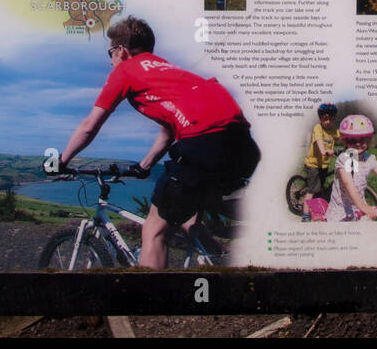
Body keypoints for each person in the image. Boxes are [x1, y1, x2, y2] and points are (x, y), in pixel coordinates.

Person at [57, 16, 260, 268]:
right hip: (242, 144)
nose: (110, 60)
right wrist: (145, 165)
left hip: (203, 143)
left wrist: (61, 161)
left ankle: (151, 305)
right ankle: (221, 264)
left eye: (110, 52)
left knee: (154, 230)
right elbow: (168, 131)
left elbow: (89, 127)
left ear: (121, 51)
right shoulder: (169, 70)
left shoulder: (125, 70)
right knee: (184, 214)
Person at [327, 114, 377, 221]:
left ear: (368, 140)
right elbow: (348, 183)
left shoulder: (369, 159)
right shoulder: (344, 158)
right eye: (352, 140)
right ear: (345, 140)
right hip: (342, 211)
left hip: (359, 209)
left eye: (362, 140)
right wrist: (364, 207)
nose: (358, 144)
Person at [298, 103, 339, 221]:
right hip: (313, 164)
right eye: (325, 119)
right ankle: (305, 214)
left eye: (331, 119)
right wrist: (324, 151)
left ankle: (318, 204)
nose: (328, 122)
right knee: (312, 190)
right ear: (320, 118)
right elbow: (319, 141)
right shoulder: (318, 128)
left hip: (324, 164)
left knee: (319, 187)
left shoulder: (333, 130)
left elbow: (343, 137)